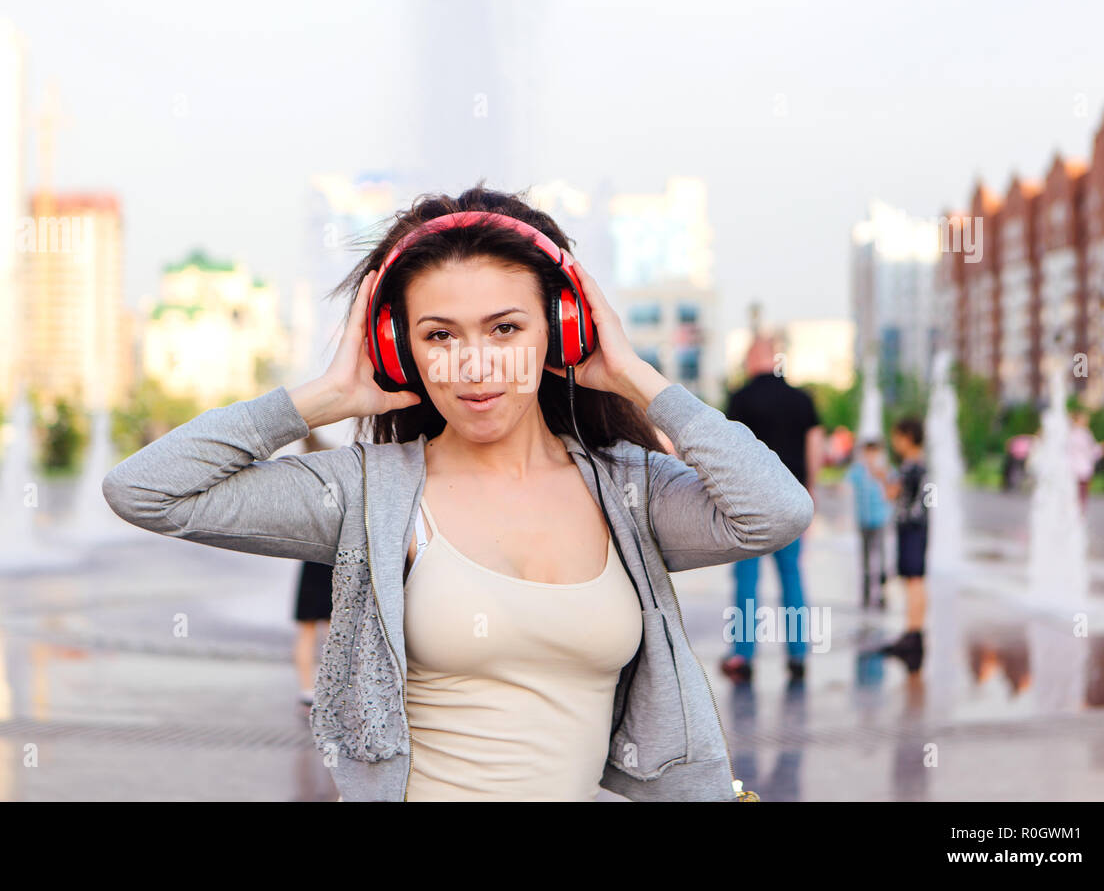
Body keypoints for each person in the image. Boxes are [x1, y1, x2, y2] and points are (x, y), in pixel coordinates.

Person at [102, 184, 813, 802]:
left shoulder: (629, 491)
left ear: (562, 330)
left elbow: (776, 511)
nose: (475, 364)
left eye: (506, 328)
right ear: (397, 348)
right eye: (439, 335)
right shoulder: (371, 493)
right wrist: (321, 398)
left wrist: (633, 374)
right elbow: (146, 491)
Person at [719, 335, 824, 683]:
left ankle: (743, 655)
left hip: (750, 503)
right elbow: (815, 444)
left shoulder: (740, 399)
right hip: (791, 499)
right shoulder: (801, 399)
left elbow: (729, 450)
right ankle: (798, 656)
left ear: (752, 359)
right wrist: (811, 491)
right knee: (792, 577)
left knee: (747, 581)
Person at [878, 417, 927, 673]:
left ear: (907, 437)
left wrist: (881, 476)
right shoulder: (921, 465)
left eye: (897, 437)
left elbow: (891, 494)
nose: (895, 443)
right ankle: (913, 631)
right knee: (914, 579)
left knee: (914, 580)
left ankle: (914, 633)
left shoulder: (911, 467)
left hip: (911, 529)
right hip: (917, 528)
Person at [293, 433, 334, 707]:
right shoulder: (336, 480)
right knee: (334, 632)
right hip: (334, 561)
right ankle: (333, 687)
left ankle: (307, 688)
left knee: (306, 631)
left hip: (310, 561)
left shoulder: (302, 481)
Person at [847, 440, 891, 609]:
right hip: (863, 520)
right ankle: (865, 595)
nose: (870, 456)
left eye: (874, 452)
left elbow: (892, 488)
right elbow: (846, 485)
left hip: (879, 520)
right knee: (865, 559)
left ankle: (881, 594)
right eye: (867, 452)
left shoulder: (884, 470)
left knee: (880, 558)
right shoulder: (858, 471)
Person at [1067, 407, 1104, 513]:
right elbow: (1091, 451)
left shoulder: (1070, 433)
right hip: (1082, 468)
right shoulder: (1084, 433)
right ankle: (1078, 514)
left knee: (1073, 494)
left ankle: (1072, 514)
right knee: (1082, 495)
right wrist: (1102, 449)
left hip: (1072, 468)